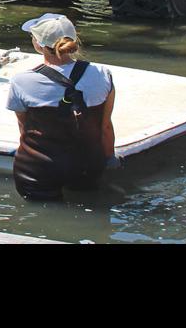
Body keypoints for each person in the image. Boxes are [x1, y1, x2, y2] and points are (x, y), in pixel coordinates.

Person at [8, 12, 117, 201]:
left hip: (37, 170)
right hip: (87, 166)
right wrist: (109, 159)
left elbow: (24, 128)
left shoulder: (21, 81)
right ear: (73, 41)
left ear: (38, 45)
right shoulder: (103, 74)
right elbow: (105, 126)